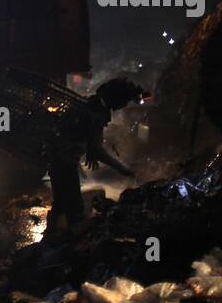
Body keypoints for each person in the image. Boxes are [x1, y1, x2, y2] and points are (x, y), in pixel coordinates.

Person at [46, 77, 147, 238]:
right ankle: (66, 246)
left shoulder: (90, 104)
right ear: (117, 98)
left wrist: (91, 151)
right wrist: (122, 169)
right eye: (125, 101)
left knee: (61, 204)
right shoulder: (97, 113)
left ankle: (52, 244)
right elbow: (97, 149)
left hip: (58, 159)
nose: (125, 106)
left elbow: (88, 141)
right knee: (74, 208)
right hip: (64, 161)